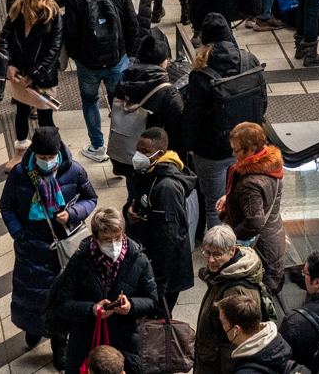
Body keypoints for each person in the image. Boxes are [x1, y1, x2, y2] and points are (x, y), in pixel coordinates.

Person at [0, 127, 99, 358]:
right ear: (33, 152)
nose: (46, 162)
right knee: (30, 293)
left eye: (51, 157)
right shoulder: (19, 174)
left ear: (58, 152)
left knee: (62, 295)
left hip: (63, 248)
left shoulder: (74, 171)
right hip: (31, 247)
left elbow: (90, 198)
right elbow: (7, 207)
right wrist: (20, 234)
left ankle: (59, 341)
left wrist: (73, 213)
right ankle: (32, 328)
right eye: (42, 158)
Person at [48, 206, 160, 374]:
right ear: (95, 238)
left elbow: (151, 300)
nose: (114, 245)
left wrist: (131, 306)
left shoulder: (139, 260)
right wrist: (91, 309)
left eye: (118, 237)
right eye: (107, 240)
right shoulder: (79, 262)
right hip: (84, 341)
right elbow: (63, 304)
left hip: (122, 342)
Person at [182, 13, 264, 206]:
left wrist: (191, 146)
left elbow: (193, 115)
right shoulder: (249, 60)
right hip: (247, 146)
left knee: (215, 205)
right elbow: (263, 101)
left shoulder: (201, 73)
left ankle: (218, 237)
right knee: (245, 199)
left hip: (212, 151)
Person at [64, 0, 137, 161]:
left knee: (89, 101)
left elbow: (71, 34)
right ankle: (120, 150)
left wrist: (78, 58)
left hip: (88, 64)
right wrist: (129, 56)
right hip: (117, 60)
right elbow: (132, 26)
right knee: (120, 104)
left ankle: (98, 147)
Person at [125, 127, 197, 312]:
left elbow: (169, 239)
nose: (138, 155)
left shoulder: (167, 188)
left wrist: (158, 286)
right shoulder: (149, 172)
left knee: (154, 327)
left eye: (145, 151)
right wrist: (129, 211)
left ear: (160, 153)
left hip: (163, 275)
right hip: (149, 263)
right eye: (138, 149)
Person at [217, 121, 286, 296]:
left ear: (252, 150)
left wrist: (229, 240)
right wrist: (231, 198)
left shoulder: (250, 183)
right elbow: (266, 197)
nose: (233, 154)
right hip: (272, 238)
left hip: (260, 248)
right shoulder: (271, 165)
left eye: (237, 150)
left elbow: (254, 223)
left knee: (255, 297)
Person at [194, 227, 272, 374]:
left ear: (232, 251)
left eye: (217, 254)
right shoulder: (222, 274)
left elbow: (237, 343)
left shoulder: (236, 290)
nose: (210, 260)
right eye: (207, 252)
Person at [1, 0, 64, 149]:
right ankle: (21, 148)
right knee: (21, 112)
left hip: (41, 79)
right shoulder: (17, 9)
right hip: (19, 74)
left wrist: (34, 76)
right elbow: (4, 38)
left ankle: (53, 151)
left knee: (45, 119)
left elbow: (54, 50)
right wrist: (9, 64)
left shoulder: (51, 15)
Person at [217, 291, 293, 374]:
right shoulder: (279, 343)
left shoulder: (246, 371)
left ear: (236, 330)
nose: (223, 327)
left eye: (223, 323)